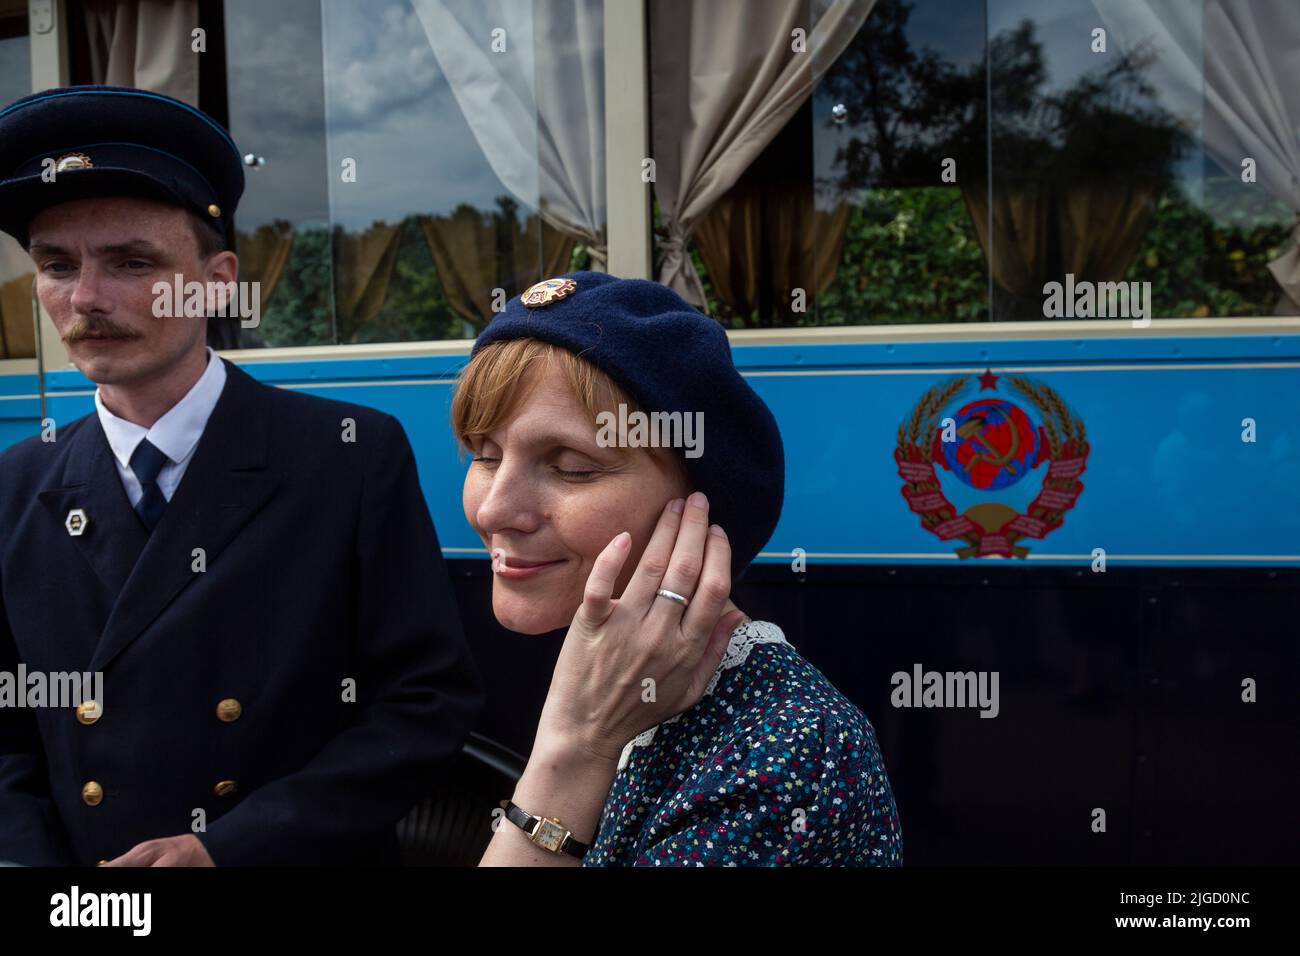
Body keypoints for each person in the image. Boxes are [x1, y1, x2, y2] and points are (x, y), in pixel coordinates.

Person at [0, 85, 484, 866]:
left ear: (218, 279)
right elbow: (9, 731)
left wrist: (231, 848)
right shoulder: (15, 486)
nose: (85, 297)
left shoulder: (348, 455)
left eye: (132, 262)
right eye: (57, 265)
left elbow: (426, 704)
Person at [457, 271, 903, 866]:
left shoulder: (785, 755)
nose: (494, 509)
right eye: (485, 456)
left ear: (699, 506)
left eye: (572, 468)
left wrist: (572, 756)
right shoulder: (627, 678)